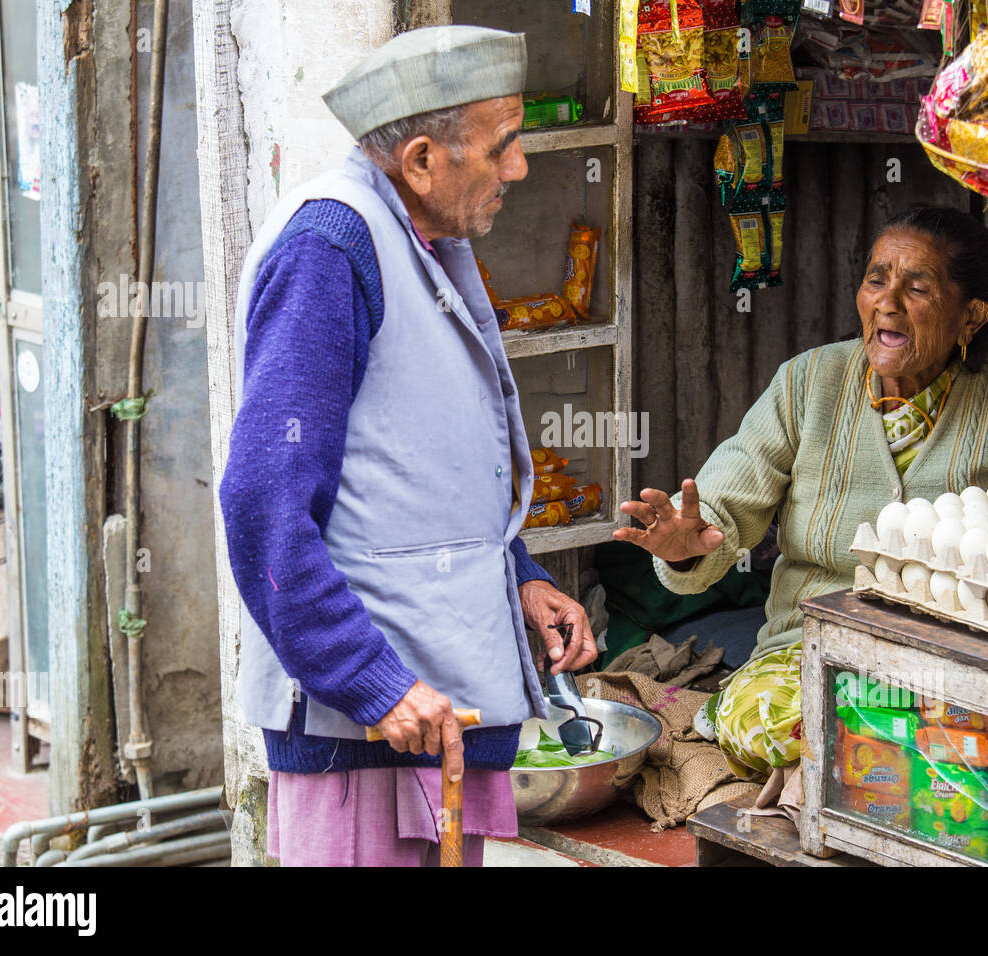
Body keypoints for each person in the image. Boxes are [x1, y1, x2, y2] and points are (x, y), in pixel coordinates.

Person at [220, 25, 597, 867]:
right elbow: (262, 499)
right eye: (503, 147)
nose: (520, 169)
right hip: (363, 738)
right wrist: (371, 681)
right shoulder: (332, 250)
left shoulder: (427, 239)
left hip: (423, 719)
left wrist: (520, 581)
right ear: (422, 159)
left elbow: (415, 466)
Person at [614, 206, 988, 778]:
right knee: (759, 720)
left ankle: (883, 758)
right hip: (811, 646)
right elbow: (723, 501)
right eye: (877, 279)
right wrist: (690, 543)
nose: (888, 302)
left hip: (958, 659)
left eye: (918, 288)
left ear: (972, 316)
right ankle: (897, 757)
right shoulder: (810, 381)